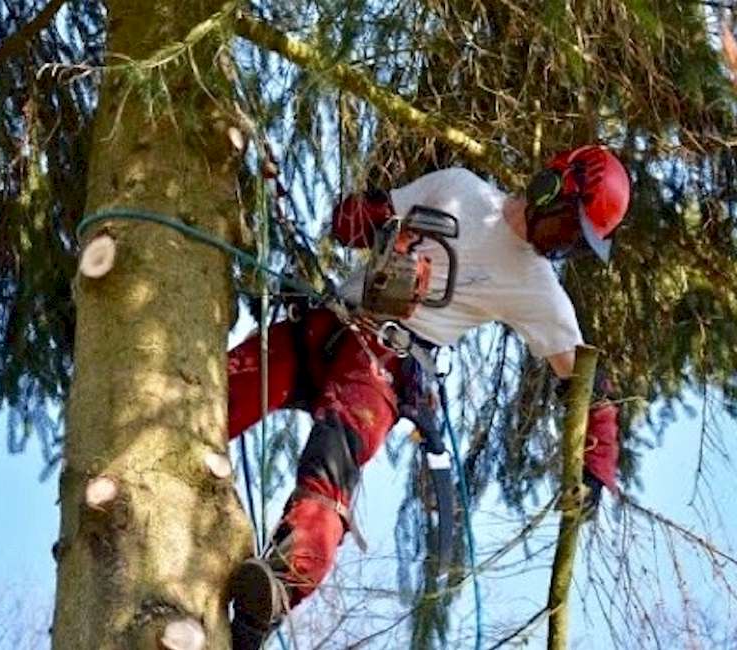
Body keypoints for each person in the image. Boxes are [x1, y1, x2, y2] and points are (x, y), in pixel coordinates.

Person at [227, 144, 629, 648]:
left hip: (381, 366)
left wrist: (596, 470)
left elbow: (589, 382)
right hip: (325, 326)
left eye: (577, 242)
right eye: (569, 227)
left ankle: (274, 593)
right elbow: (353, 223)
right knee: (224, 387)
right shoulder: (460, 189)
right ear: (551, 187)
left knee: (331, 468)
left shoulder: (536, 286)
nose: (564, 244)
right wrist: (376, 224)